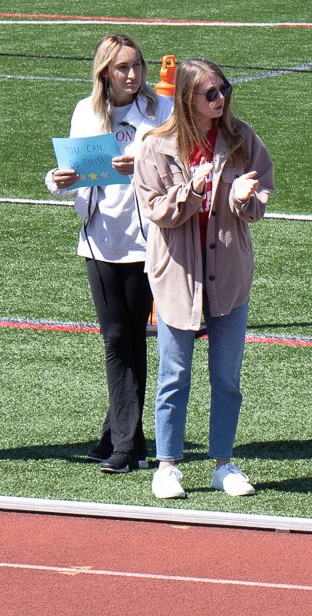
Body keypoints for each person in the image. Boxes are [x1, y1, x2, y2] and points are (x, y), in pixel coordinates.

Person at [134, 59, 274, 499]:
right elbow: (156, 209)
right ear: (186, 99)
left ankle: (223, 463)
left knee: (227, 377)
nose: (220, 99)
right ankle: (168, 464)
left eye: (223, 90)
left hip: (229, 272)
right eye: (210, 93)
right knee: (174, 374)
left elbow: (263, 188)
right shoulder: (156, 146)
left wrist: (244, 197)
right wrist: (192, 191)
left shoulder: (240, 137)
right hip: (177, 273)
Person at [45, 35, 172, 474]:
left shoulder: (160, 111)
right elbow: (74, 168)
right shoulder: (86, 111)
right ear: (104, 73)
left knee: (127, 337)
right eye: (123, 68)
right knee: (117, 337)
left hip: (145, 240)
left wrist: (141, 165)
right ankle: (120, 435)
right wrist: (57, 180)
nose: (133, 75)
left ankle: (125, 445)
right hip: (100, 239)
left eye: (137, 65)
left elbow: (178, 168)